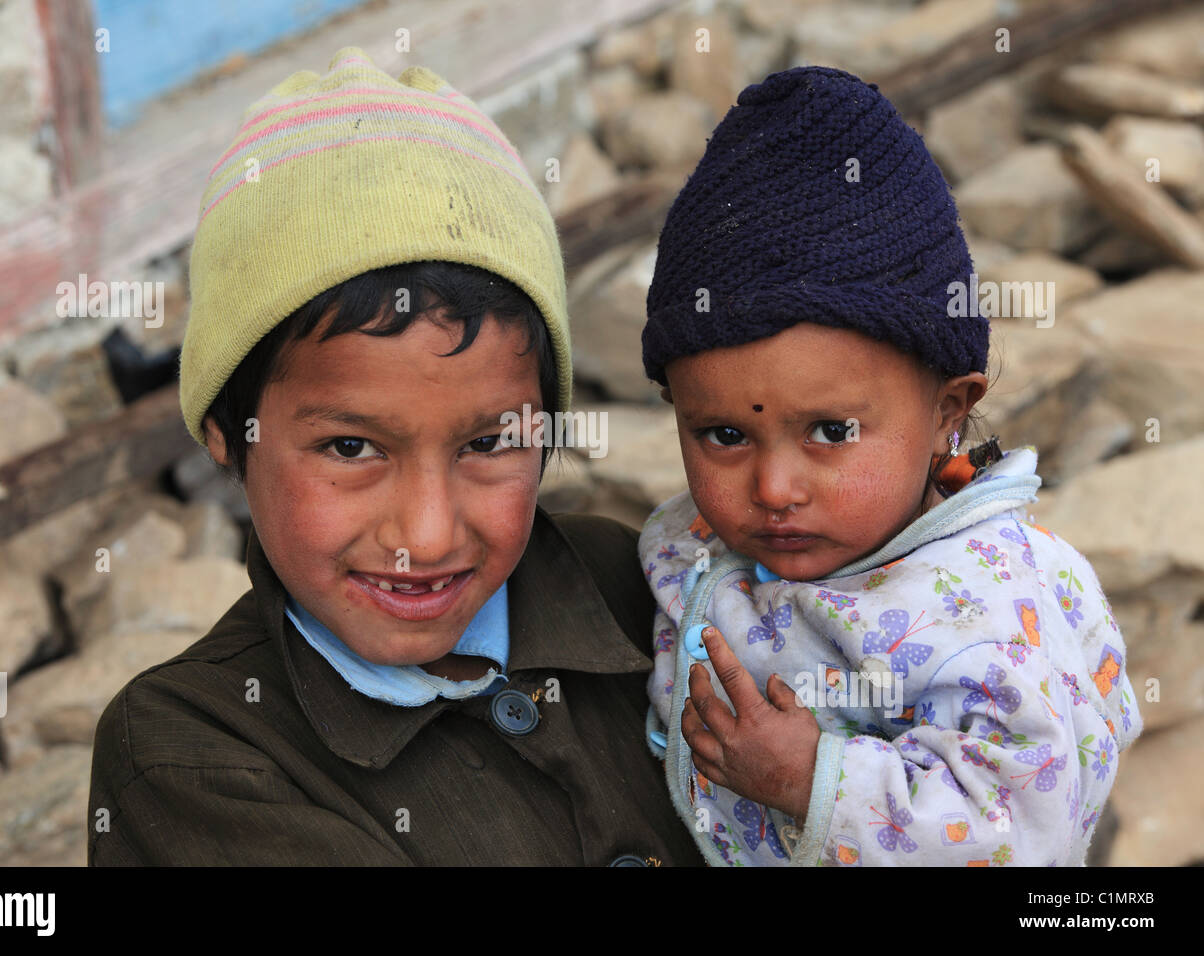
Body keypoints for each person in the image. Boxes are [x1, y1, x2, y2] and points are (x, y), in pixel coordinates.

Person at [87, 47, 703, 866]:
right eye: (351, 447)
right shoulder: (193, 754)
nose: (429, 533)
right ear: (227, 439)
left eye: (488, 444)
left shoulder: (640, 585)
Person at [637, 66, 1142, 867]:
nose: (773, 489)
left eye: (831, 430)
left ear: (948, 410)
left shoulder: (985, 609)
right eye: (723, 435)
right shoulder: (702, 545)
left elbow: (1025, 829)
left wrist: (816, 783)